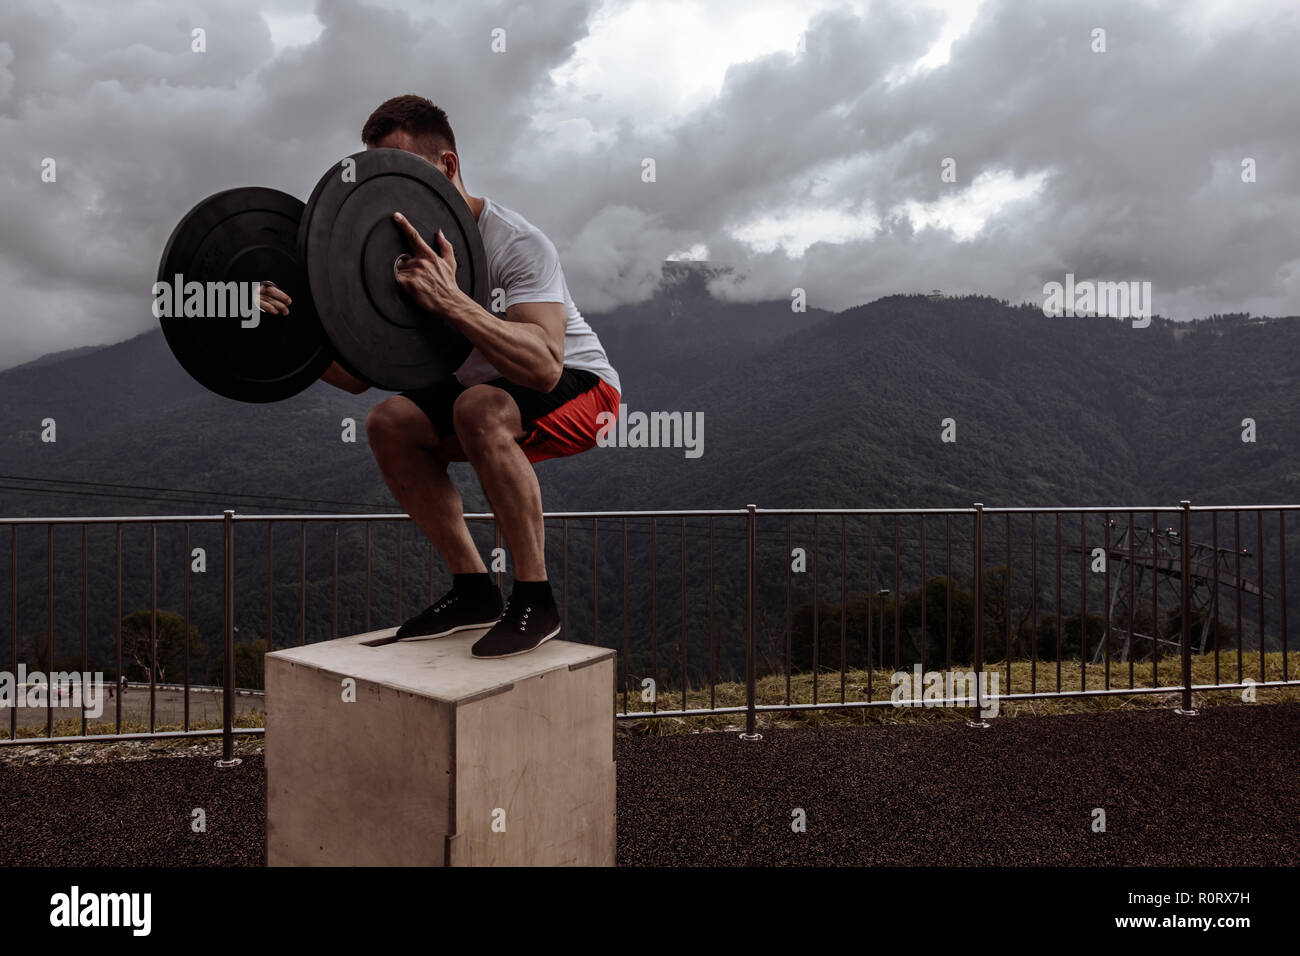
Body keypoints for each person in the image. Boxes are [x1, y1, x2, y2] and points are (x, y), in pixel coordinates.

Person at [260, 95, 621, 658]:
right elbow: (357, 378)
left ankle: (536, 598)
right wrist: (281, 331)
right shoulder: (393, 253)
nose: (387, 185)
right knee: (389, 422)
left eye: (402, 168)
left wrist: (452, 300)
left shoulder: (516, 242)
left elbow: (544, 367)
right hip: (481, 387)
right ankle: (475, 588)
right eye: (378, 172)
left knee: (477, 407)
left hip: (584, 387)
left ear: (447, 167)